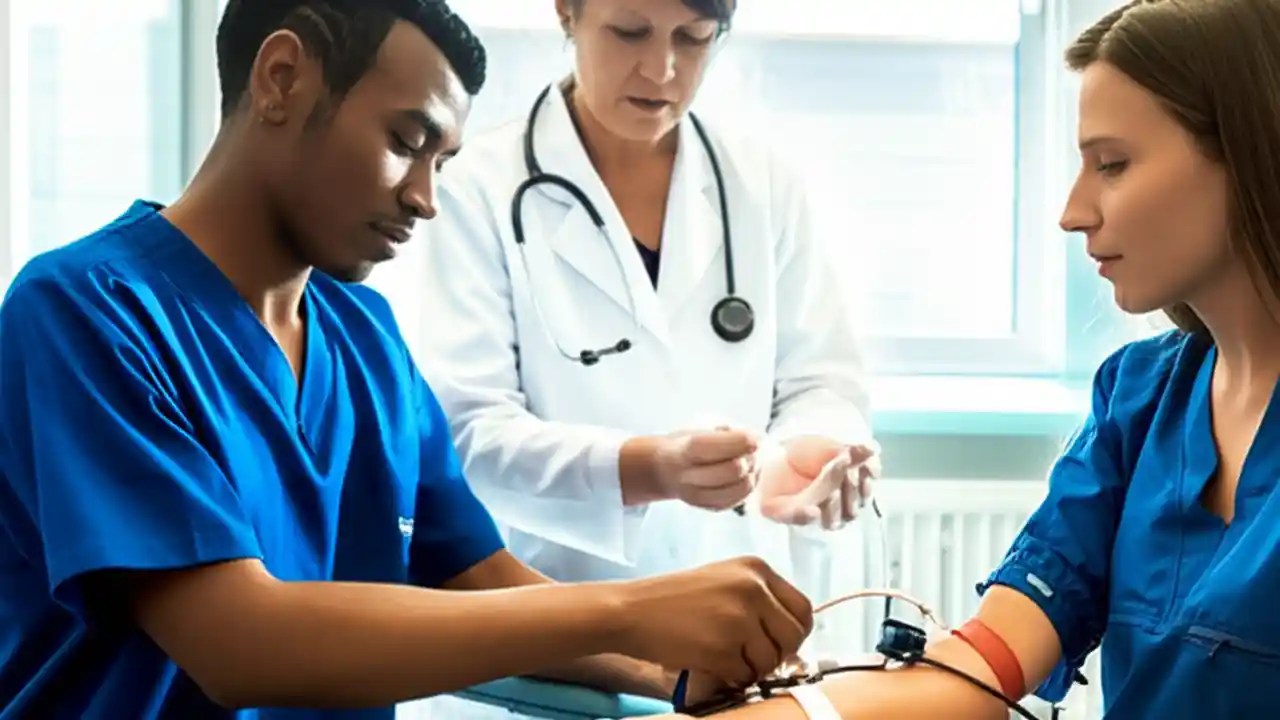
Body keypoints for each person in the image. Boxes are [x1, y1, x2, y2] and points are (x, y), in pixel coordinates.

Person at [0, 2, 818, 718]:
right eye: (407, 141)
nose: (425, 197)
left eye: (444, 163)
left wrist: (679, 670)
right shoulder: (86, 309)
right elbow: (238, 644)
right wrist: (630, 609)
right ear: (282, 78)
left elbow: (476, 578)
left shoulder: (366, 337)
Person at [633, 0, 1280, 717]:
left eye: (1113, 165)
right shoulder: (1141, 399)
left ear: (1251, 148)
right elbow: (987, 662)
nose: (1073, 211)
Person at [405, 0, 878, 613]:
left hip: (739, 602)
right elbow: (466, 431)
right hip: (555, 615)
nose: (661, 70)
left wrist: (817, 450)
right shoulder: (476, 189)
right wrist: (648, 468)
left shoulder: (762, 184)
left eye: (694, 38)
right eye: (630, 33)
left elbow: (823, 382)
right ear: (566, 12)